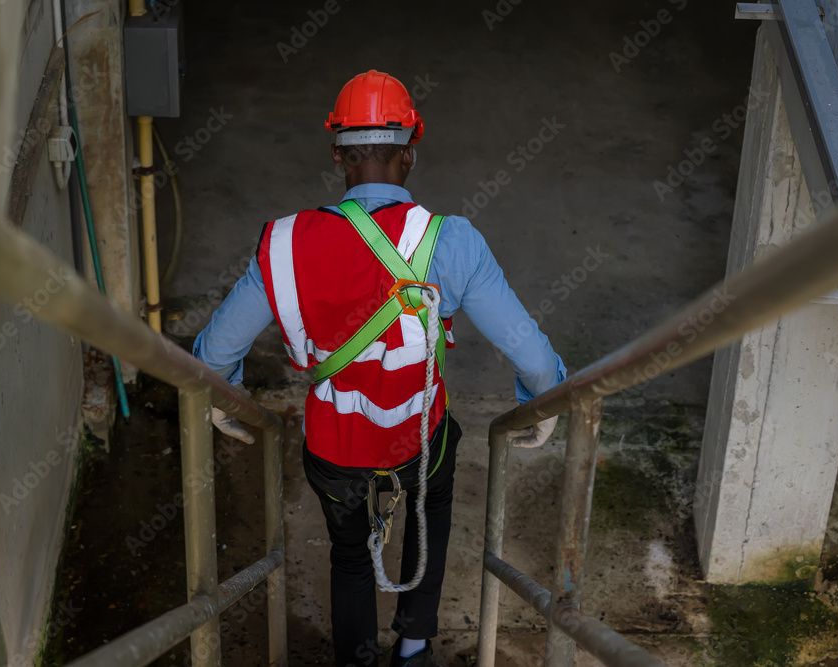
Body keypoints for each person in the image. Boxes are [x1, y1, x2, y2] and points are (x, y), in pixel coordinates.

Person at [193, 69, 566, 667]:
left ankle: (358, 659)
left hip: (334, 449)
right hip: (419, 441)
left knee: (349, 555)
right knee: (429, 510)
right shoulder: (452, 242)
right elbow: (533, 355)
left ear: (337, 154)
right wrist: (542, 402)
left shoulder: (286, 244)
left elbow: (214, 355)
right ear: (409, 153)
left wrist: (223, 400)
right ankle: (413, 649)